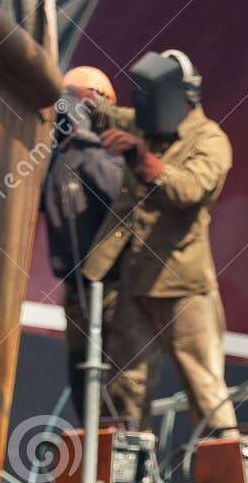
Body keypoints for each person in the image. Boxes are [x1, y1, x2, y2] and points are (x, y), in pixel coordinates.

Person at [83, 48, 237, 433]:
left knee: (205, 388)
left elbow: (190, 190)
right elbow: (106, 115)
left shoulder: (210, 140)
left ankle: (224, 464)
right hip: (137, 282)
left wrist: (144, 161)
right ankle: (125, 463)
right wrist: (77, 96)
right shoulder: (144, 126)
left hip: (183, 287)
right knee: (124, 387)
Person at [40, 65, 125, 419]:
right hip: (77, 294)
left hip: (111, 294)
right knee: (81, 385)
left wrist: (84, 144)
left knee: (115, 387)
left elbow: (124, 202)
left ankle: (114, 447)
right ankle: (96, 443)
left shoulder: (105, 160)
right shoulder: (54, 162)